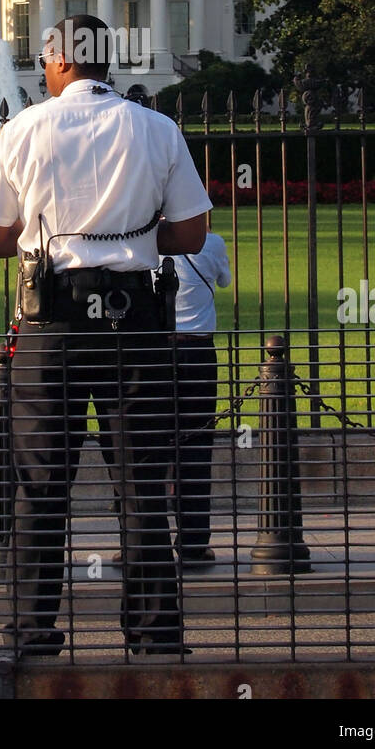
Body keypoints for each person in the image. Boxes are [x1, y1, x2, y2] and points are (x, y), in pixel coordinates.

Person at [0, 14, 212, 658]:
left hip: (52, 329)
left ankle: (33, 631)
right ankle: (155, 632)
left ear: (56, 63)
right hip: (136, 325)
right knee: (140, 489)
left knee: (41, 490)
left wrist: (50, 236)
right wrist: (133, 237)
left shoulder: (22, 128)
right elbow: (191, 234)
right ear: (110, 64)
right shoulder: (157, 129)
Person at [161, 232, 231, 564]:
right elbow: (224, 281)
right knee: (197, 444)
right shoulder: (211, 242)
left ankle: (144, 540)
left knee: (145, 446)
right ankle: (193, 541)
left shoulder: (142, 240)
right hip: (198, 350)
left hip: (153, 351)